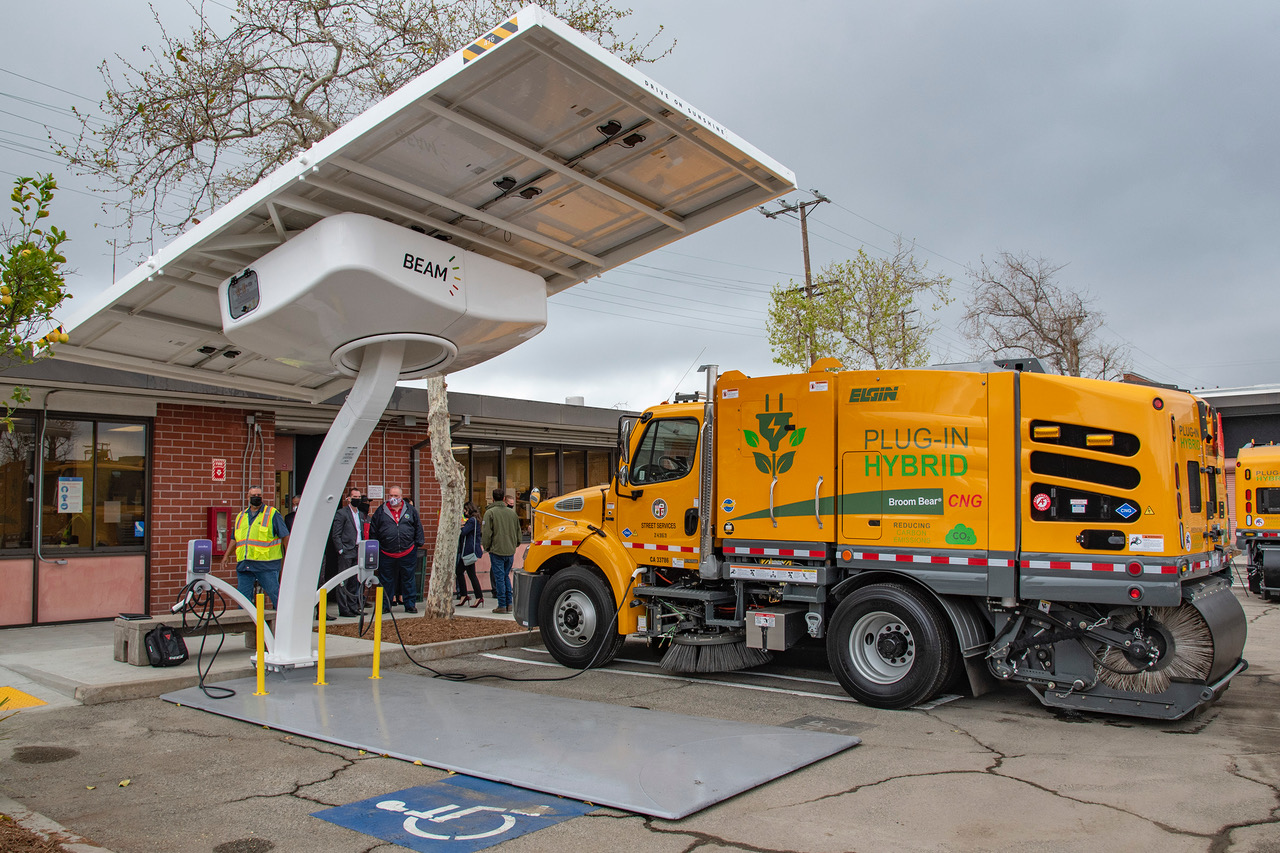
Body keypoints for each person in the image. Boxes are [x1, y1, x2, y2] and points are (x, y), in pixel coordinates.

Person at [222, 485, 289, 609]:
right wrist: (226, 556)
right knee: (243, 599)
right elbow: (234, 538)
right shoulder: (241, 516)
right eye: (253, 496)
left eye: (259, 496)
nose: (256, 498)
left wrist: (288, 556)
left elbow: (285, 536)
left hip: (266, 564)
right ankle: (244, 626)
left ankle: (284, 621)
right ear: (248, 497)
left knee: (275, 594)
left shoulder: (272, 513)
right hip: (245, 564)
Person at [368, 485, 424, 613]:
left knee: (408, 579)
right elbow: (374, 530)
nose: (393, 498)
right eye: (391, 496)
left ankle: (410, 604)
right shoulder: (381, 511)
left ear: (401, 496)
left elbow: (418, 527)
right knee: (386, 580)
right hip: (386, 553)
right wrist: (376, 546)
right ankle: (385, 606)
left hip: (407, 552)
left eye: (396, 496)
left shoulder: (410, 510)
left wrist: (417, 544)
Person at [328, 486, 367, 617]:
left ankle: (353, 606)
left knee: (355, 581)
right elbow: (336, 533)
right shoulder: (342, 513)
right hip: (346, 550)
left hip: (358, 550)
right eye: (354, 497)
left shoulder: (360, 514)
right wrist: (340, 549)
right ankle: (344, 609)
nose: (357, 499)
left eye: (359, 497)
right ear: (349, 498)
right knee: (343, 580)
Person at [482, 488, 520, 614]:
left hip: (497, 550)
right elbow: (518, 531)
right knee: (505, 577)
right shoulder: (512, 514)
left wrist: (487, 547)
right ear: (504, 499)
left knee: (499, 578)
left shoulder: (490, 513)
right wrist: (515, 544)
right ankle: (509, 603)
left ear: (492, 498)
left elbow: (487, 533)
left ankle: (502, 604)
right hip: (510, 550)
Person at [455, 501, 484, 608]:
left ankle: (476, 596)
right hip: (469, 550)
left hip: (468, 551)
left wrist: (461, 526)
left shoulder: (471, 521)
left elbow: (463, 532)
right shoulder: (475, 520)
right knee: (463, 572)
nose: (464, 512)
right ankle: (467, 595)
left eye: (465, 510)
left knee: (465, 573)